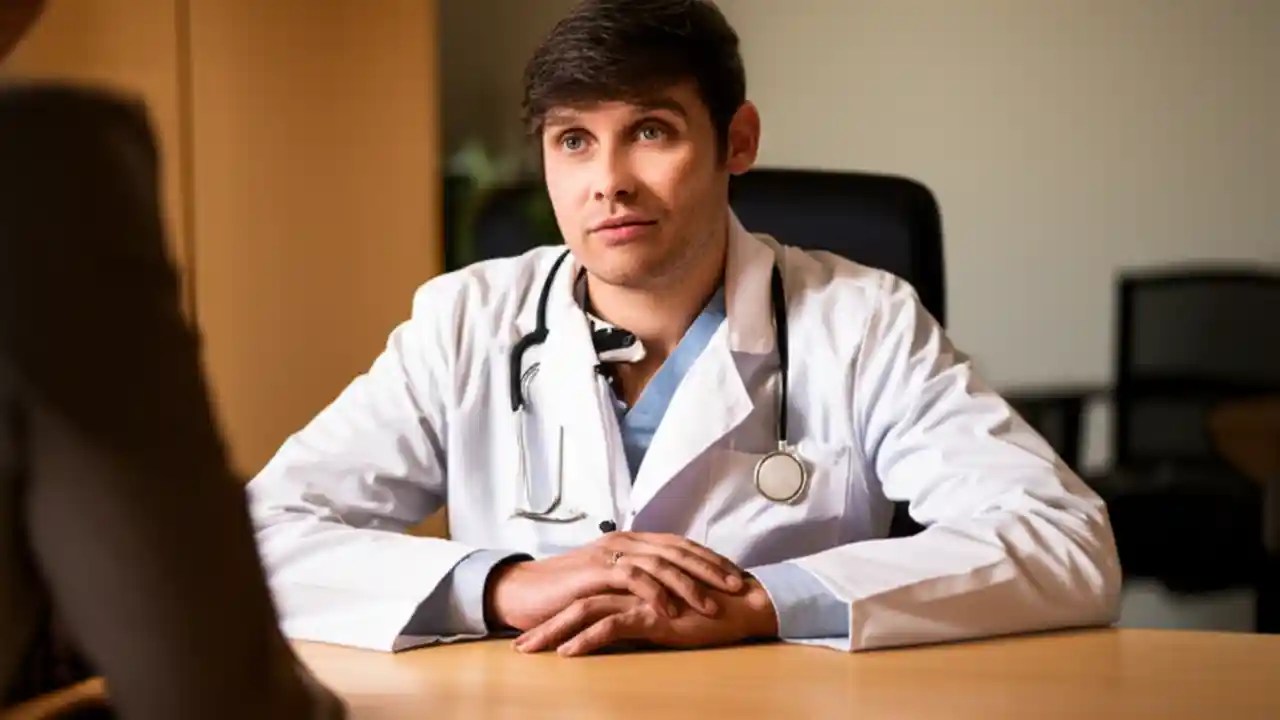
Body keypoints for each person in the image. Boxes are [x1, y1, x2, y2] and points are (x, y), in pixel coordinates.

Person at [248, 0, 1121, 657]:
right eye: (574, 142)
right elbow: (259, 536)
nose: (609, 182)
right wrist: (505, 585)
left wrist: (763, 603)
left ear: (736, 141)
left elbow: (1063, 540)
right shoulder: (466, 322)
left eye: (650, 132)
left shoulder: (863, 324)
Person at [0, 4, 344, 715]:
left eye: (646, 131)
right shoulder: (33, 167)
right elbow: (206, 692)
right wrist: (491, 579)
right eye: (573, 140)